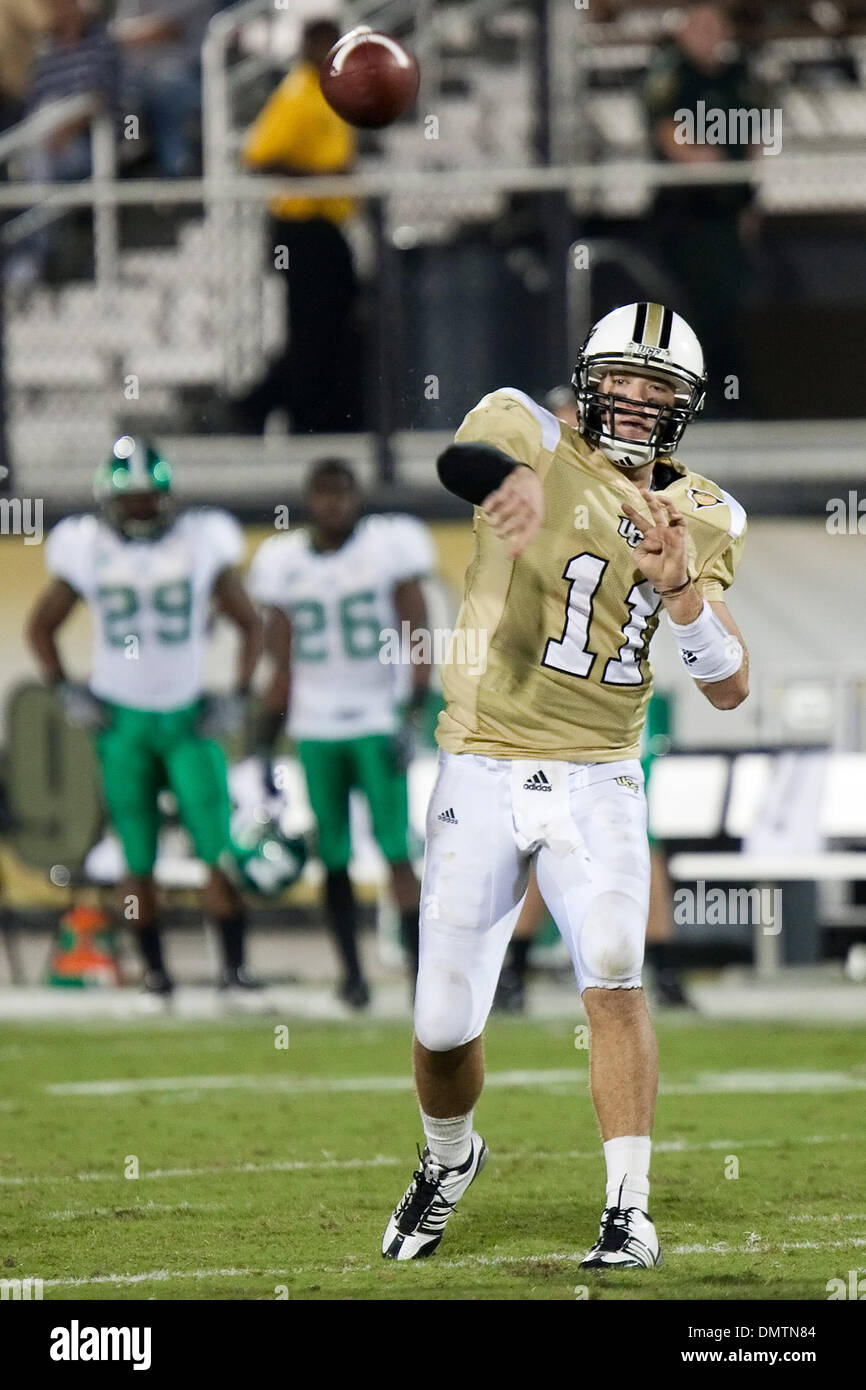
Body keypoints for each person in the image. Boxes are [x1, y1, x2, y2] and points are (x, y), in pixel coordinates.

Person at [381, 301, 749, 1267]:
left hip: (600, 774)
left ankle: (629, 1209)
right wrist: (504, 484)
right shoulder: (530, 430)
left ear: (685, 408)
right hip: (483, 757)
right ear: (588, 379)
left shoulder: (703, 509)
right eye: (623, 378)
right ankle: (449, 1158)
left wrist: (677, 587)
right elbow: (462, 460)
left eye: (659, 387)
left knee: (617, 961)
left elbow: (728, 684)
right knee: (442, 1022)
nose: (637, 398)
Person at [26, 436, 263, 998]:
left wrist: (237, 694)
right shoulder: (83, 547)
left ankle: (234, 970)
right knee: (136, 859)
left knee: (217, 850)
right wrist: (65, 691)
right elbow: (40, 626)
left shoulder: (202, 540)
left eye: (149, 497)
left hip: (186, 718)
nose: (140, 507)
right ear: (109, 499)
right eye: (130, 498)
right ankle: (156, 972)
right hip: (122, 724)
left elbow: (251, 622)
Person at [250, 459, 435, 1007]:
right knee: (331, 853)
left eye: (341, 493)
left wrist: (413, 713)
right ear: (308, 498)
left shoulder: (388, 548)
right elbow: (279, 657)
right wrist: (263, 736)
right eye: (323, 494)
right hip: (315, 724)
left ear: (357, 497)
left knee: (395, 849)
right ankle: (351, 976)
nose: (332, 505)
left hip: (377, 719)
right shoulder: (282, 562)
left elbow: (417, 633)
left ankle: (421, 977)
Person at [235, 18, 362, 434]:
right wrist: (319, 179)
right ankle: (261, 405)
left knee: (332, 327)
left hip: (328, 228)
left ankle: (317, 413)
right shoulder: (297, 93)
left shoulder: (332, 93)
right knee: (311, 330)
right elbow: (258, 157)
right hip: (302, 230)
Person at [643, 2, 762, 414]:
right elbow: (670, 135)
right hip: (688, 216)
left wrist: (745, 198)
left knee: (729, 315)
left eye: (717, 25)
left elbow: (751, 141)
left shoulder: (737, 75)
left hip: (726, 216)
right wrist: (713, 168)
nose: (710, 34)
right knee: (693, 313)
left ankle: (734, 404)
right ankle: (694, 407)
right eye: (701, 25)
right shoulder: (672, 74)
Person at [110, 0, 221, 178]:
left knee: (167, 84)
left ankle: (177, 168)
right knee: (124, 94)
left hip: (194, 75)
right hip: (140, 78)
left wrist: (133, 34)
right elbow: (118, 33)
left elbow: (166, 28)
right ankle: (132, 147)